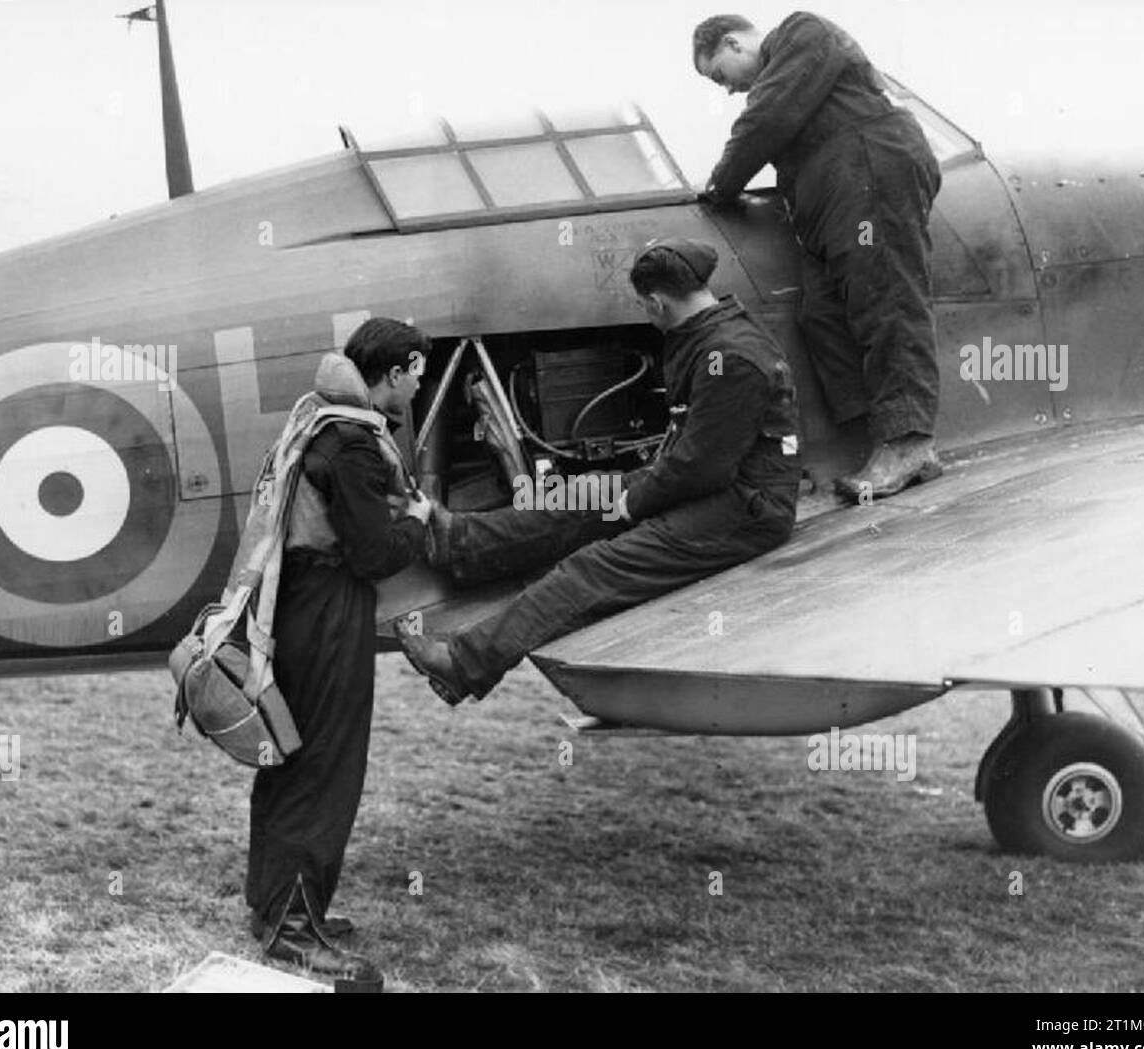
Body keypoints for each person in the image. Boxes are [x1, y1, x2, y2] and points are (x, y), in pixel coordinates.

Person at [397, 237, 800, 704]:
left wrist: (633, 502)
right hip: (717, 486)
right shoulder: (716, 335)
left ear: (656, 301)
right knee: (585, 494)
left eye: (644, 306)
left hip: (746, 507)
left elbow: (702, 469)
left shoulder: (730, 356)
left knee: (596, 568)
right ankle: (461, 541)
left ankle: (464, 663)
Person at [246, 318, 433, 981]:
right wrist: (418, 519)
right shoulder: (353, 441)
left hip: (298, 603)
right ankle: (294, 930)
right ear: (400, 368)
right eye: (418, 374)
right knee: (326, 766)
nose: (420, 387)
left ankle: (276, 905)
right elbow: (373, 552)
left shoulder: (318, 420)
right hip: (329, 607)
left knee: (290, 758)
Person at [693, 11, 943, 500]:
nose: (727, 90)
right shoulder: (786, 74)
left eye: (720, 75)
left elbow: (767, 118)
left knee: (885, 299)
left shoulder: (801, 33)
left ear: (734, 42)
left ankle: (909, 442)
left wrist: (721, 185)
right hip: (831, 195)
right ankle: (878, 433)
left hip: (870, 171)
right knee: (821, 314)